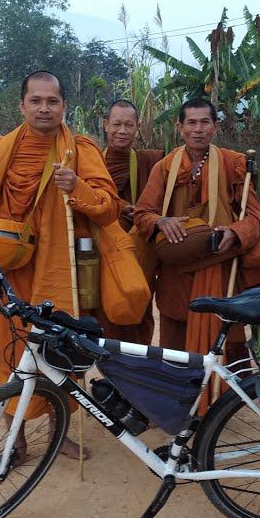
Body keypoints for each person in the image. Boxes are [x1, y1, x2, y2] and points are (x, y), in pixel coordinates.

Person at [0, 70, 130, 460]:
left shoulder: (80, 150)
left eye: (52, 101)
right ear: (23, 105)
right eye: (36, 100)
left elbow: (109, 206)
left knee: (63, 350)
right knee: (11, 350)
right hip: (12, 272)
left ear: (64, 105)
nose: (44, 108)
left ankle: (57, 431)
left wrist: (77, 188)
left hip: (61, 270)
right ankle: (16, 439)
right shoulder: (1, 148)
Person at [132, 98, 260, 413]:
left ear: (215, 126)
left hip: (220, 268)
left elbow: (255, 218)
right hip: (176, 272)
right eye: (191, 123)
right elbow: (143, 213)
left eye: (204, 122)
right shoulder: (165, 167)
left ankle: (231, 404)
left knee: (229, 339)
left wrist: (235, 232)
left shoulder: (233, 164)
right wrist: (161, 222)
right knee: (174, 341)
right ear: (179, 127)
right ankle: (177, 403)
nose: (198, 129)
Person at [98, 98, 164, 345]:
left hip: (140, 250)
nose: (122, 131)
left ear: (138, 126)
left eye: (129, 125)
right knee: (105, 307)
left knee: (139, 304)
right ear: (106, 124)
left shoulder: (153, 160)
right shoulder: (91, 159)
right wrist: (120, 207)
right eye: (116, 124)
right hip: (103, 247)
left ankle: (139, 362)